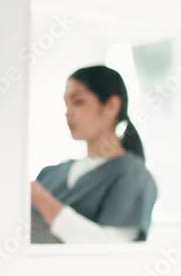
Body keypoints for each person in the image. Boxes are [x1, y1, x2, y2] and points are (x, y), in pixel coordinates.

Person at [30, 65, 158, 243]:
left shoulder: (132, 175)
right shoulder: (50, 174)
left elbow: (112, 249)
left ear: (111, 106)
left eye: (78, 102)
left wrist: (42, 200)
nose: (68, 112)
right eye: (66, 104)